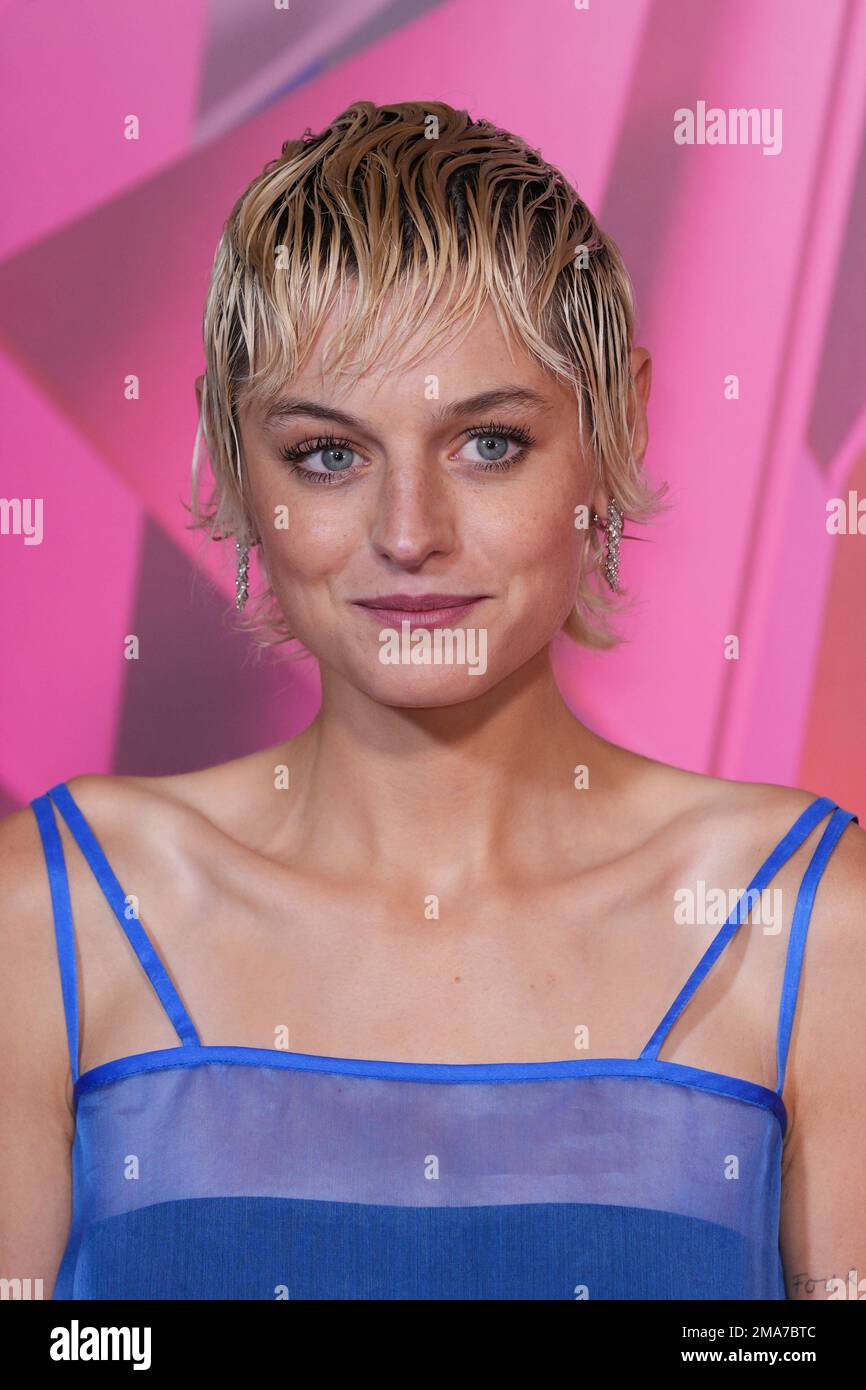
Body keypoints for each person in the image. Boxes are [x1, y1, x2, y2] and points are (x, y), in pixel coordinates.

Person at [2, 100, 864, 1301]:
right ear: (229, 454)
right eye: (328, 453)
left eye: (489, 444)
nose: (409, 533)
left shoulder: (809, 921)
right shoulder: (54, 911)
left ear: (614, 423)